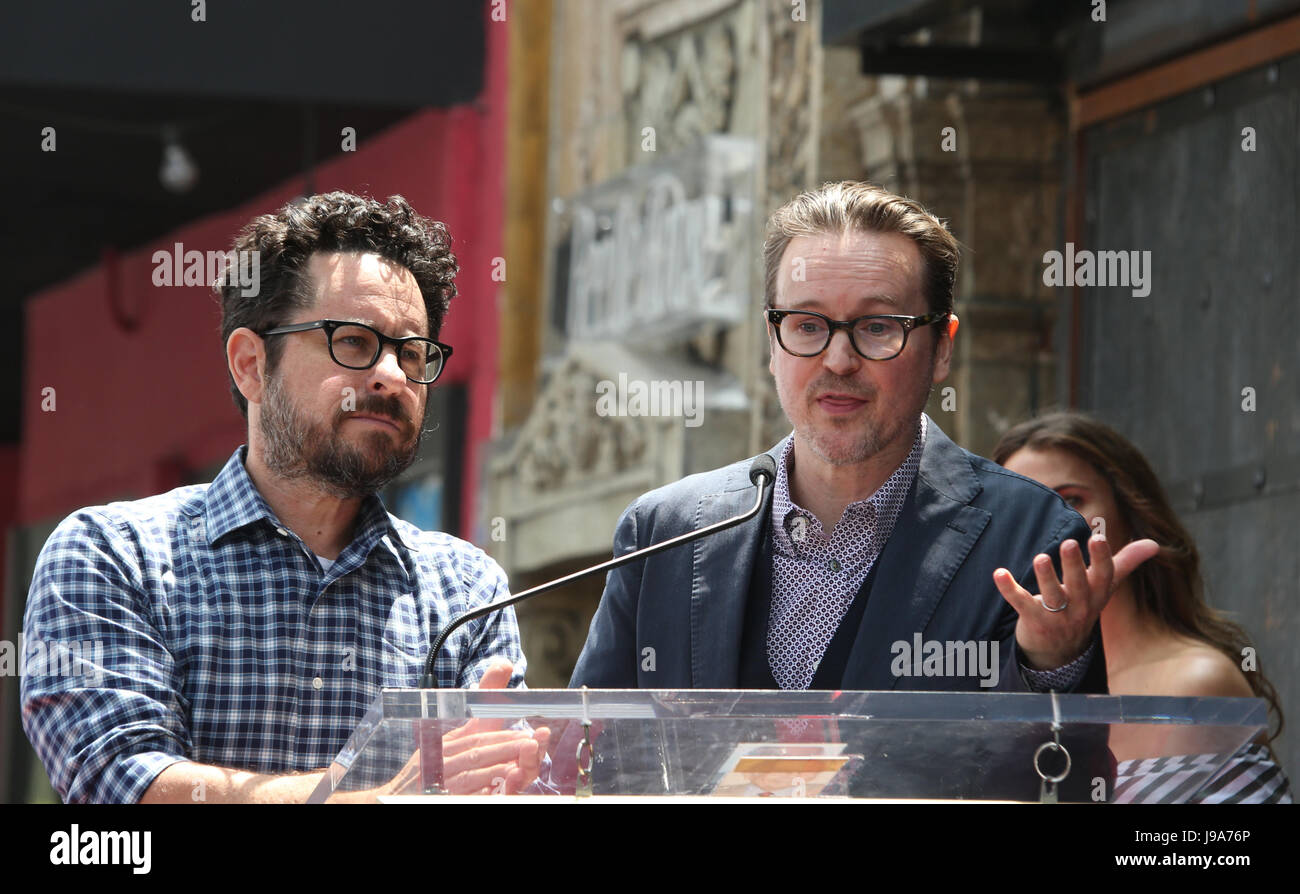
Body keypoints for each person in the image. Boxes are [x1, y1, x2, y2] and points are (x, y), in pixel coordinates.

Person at [569, 181, 1158, 799]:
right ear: (771, 345)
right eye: (807, 324)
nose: (839, 359)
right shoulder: (665, 533)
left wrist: (1050, 668)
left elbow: (1070, 789)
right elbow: (590, 763)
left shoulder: (1029, 538)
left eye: (878, 327)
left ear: (941, 350)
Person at [22, 192, 547, 803]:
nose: (393, 376)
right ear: (251, 365)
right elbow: (118, 784)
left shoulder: (466, 590)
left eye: (411, 352)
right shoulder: (114, 555)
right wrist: (377, 801)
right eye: (353, 342)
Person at [995, 411, 1291, 803]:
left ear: (1130, 514)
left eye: (1071, 499)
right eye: (1025, 505)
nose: (1050, 524)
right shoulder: (986, 676)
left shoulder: (1195, 682)